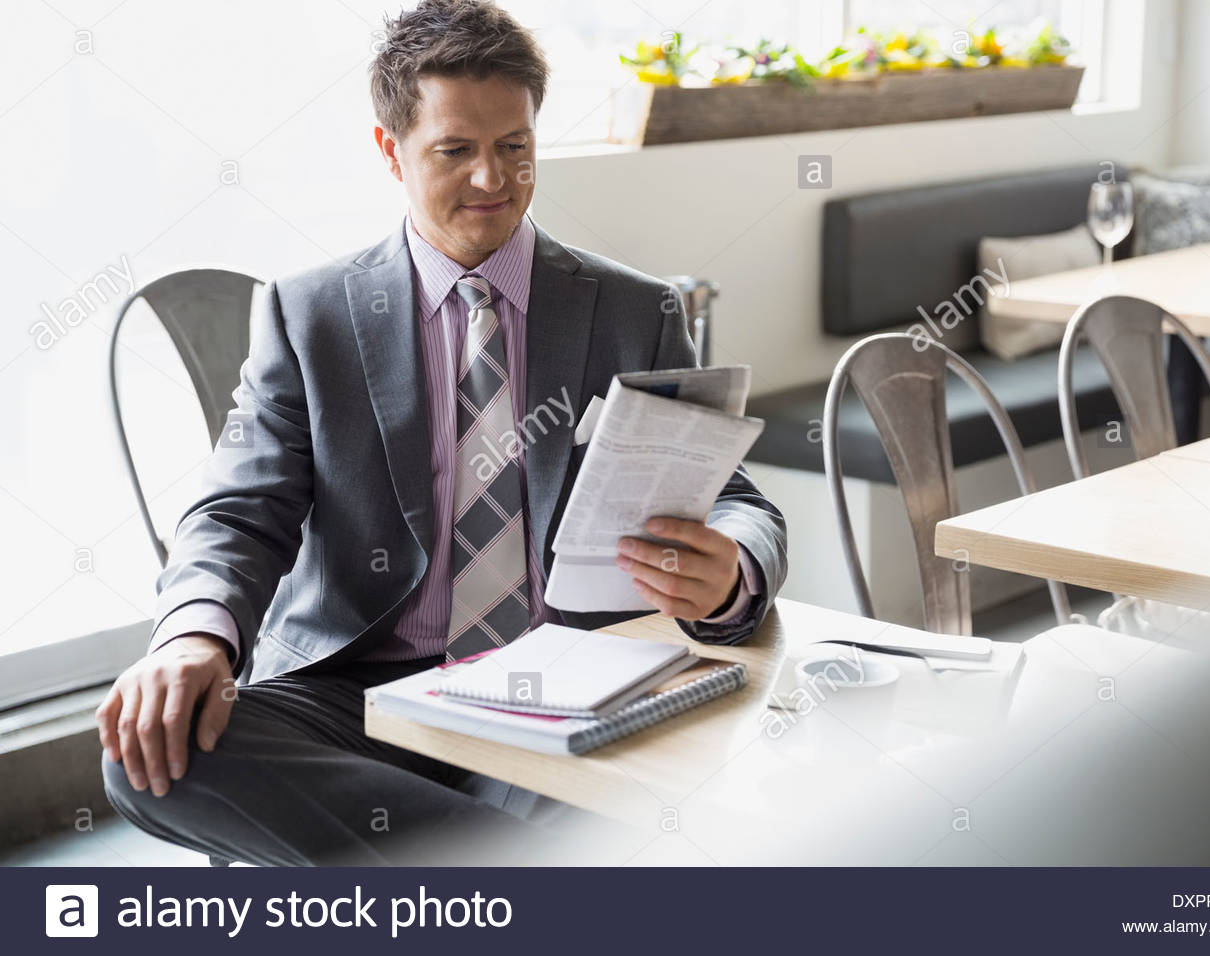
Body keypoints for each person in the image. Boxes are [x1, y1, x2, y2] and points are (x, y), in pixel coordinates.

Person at [99, 0, 787, 866]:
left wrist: (732, 570)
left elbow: (735, 499)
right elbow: (241, 510)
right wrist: (194, 635)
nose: (492, 179)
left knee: (648, 798)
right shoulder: (310, 314)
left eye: (515, 147)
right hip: (355, 691)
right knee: (150, 759)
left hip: (556, 689)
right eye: (455, 150)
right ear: (391, 151)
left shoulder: (632, 310)